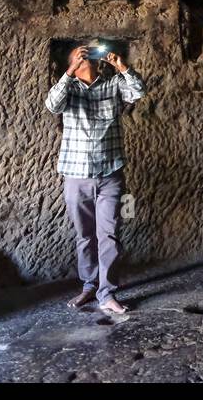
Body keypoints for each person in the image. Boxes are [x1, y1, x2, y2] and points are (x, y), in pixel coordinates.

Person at [45, 44, 145, 314]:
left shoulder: (112, 85)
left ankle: (107, 293)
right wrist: (70, 71)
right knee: (84, 235)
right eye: (79, 54)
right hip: (76, 175)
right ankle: (89, 286)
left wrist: (122, 67)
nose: (85, 56)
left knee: (109, 234)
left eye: (88, 53)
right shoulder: (69, 88)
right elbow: (52, 104)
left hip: (110, 173)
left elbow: (138, 92)